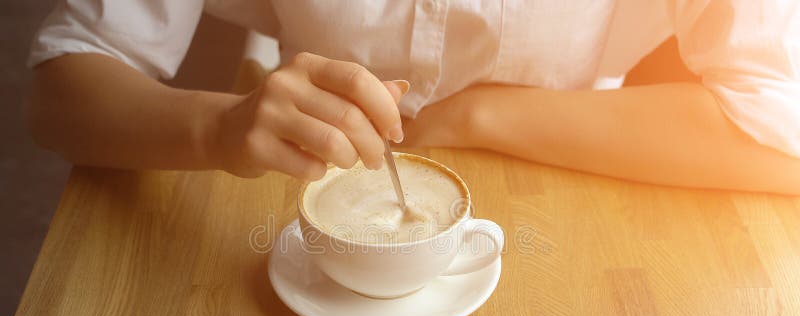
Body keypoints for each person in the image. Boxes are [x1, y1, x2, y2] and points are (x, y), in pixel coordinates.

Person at [25, 1, 800, 194]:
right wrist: (219, 130)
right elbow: (62, 86)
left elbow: (782, 130)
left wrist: (477, 114)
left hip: (575, 186)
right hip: (294, 191)